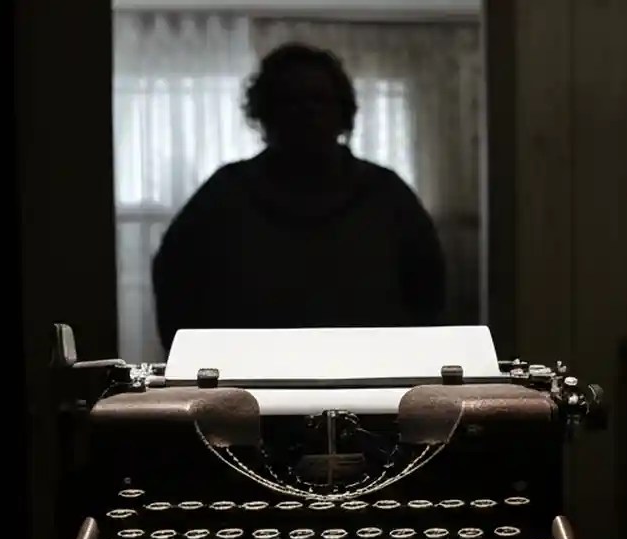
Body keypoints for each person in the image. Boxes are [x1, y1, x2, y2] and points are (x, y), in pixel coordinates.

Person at [151, 42, 446, 354]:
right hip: (251, 380)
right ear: (266, 112)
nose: (306, 112)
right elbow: (174, 279)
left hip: (369, 376)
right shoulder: (225, 194)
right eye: (289, 101)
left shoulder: (386, 194)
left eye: (318, 99)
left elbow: (429, 292)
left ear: (342, 111)